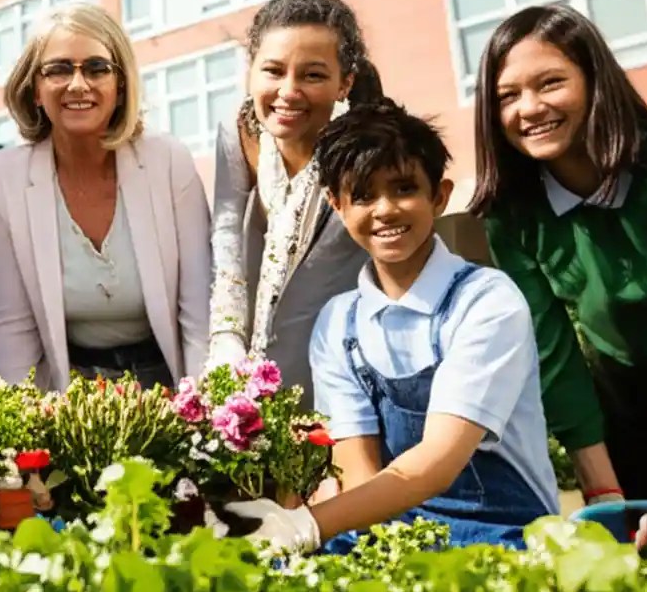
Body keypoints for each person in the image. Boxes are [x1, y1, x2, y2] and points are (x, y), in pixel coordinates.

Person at [222, 99, 559, 553]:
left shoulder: (485, 301)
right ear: (336, 205)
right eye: (362, 195)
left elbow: (437, 463)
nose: (385, 210)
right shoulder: (339, 324)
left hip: (503, 530)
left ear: (439, 196)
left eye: (403, 189)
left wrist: (300, 525)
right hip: (396, 525)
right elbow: (358, 473)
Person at [468, 4, 647, 566]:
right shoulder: (512, 211)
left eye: (551, 84)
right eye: (507, 96)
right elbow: (554, 352)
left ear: (596, 83)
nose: (530, 109)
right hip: (629, 407)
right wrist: (603, 494)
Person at [0, 2, 211, 391]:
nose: (78, 84)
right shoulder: (5, 178)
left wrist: (205, 417)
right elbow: (11, 324)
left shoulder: (168, 161)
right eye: (59, 69)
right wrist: (16, 436)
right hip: (68, 396)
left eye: (97, 68)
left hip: (171, 385)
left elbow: (200, 311)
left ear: (121, 85)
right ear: (34, 90)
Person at [206, 0, 381, 406]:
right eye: (273, 70)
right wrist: (226, 347)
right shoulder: (238, 136)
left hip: (349, 389)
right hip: (254, 386)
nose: (288, 91)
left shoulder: (369, 151)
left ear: (345, 83)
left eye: (313, 75)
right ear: (250, 71)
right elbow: (227, 244)